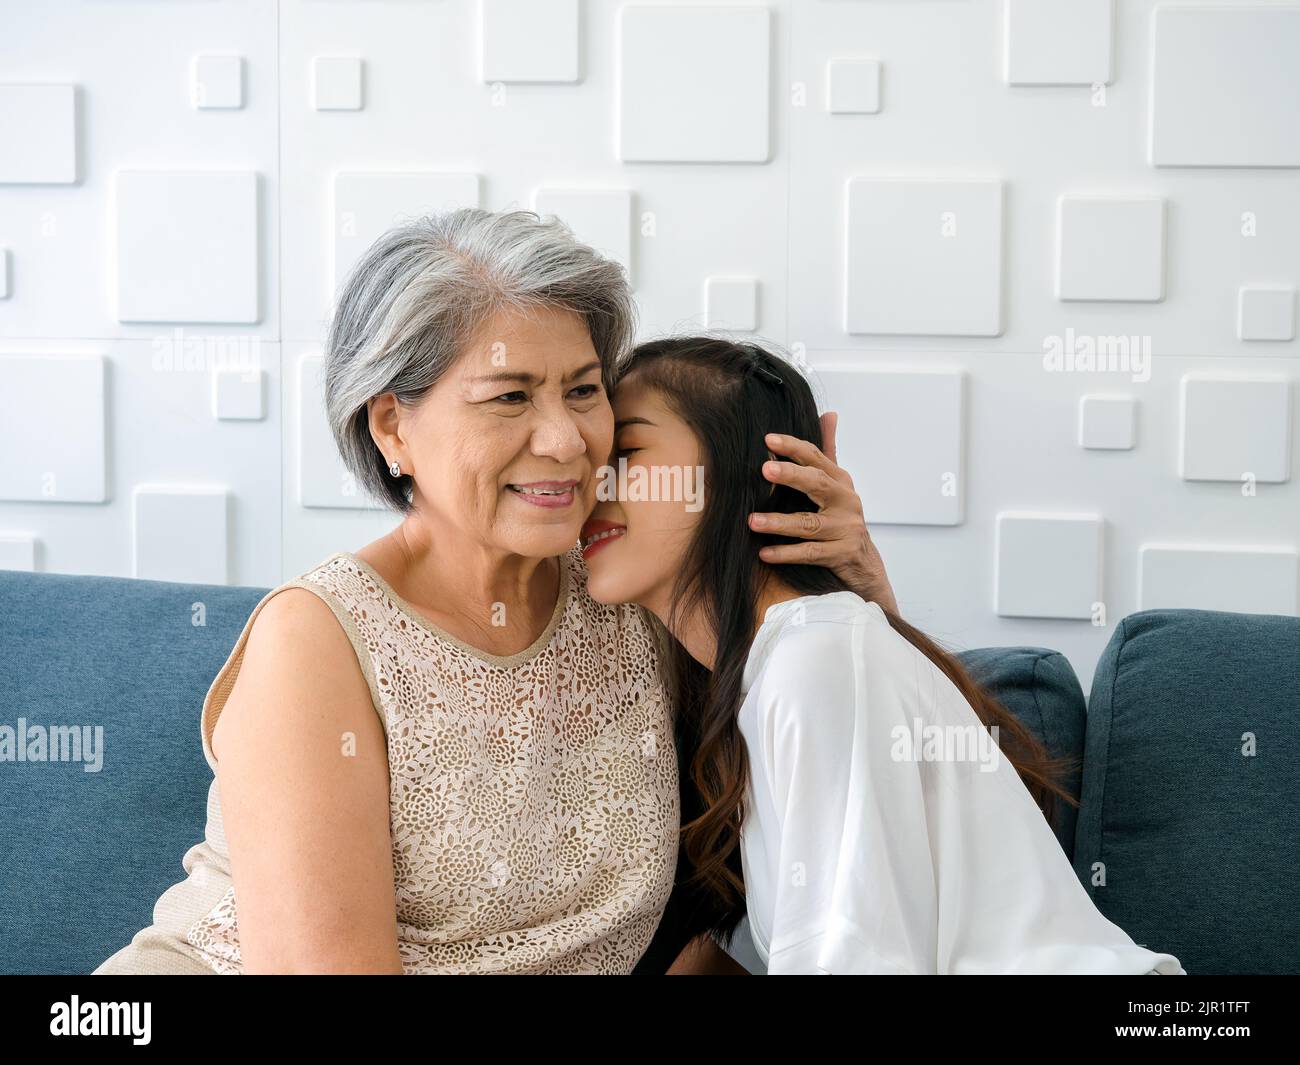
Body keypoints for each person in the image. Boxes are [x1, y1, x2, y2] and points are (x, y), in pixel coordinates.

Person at [93, 210, 890, 975]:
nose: (566, 440)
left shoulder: (627, 589)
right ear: (392, 426)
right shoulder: (318, 639)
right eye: (510, 395)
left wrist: (853, 595)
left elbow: (828, 815)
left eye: (584, 391)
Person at [581, 335, 1187, 975]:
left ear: (748, 474)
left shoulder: (815, 661)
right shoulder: (778, 671)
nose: (592, 483)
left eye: (627, 453)